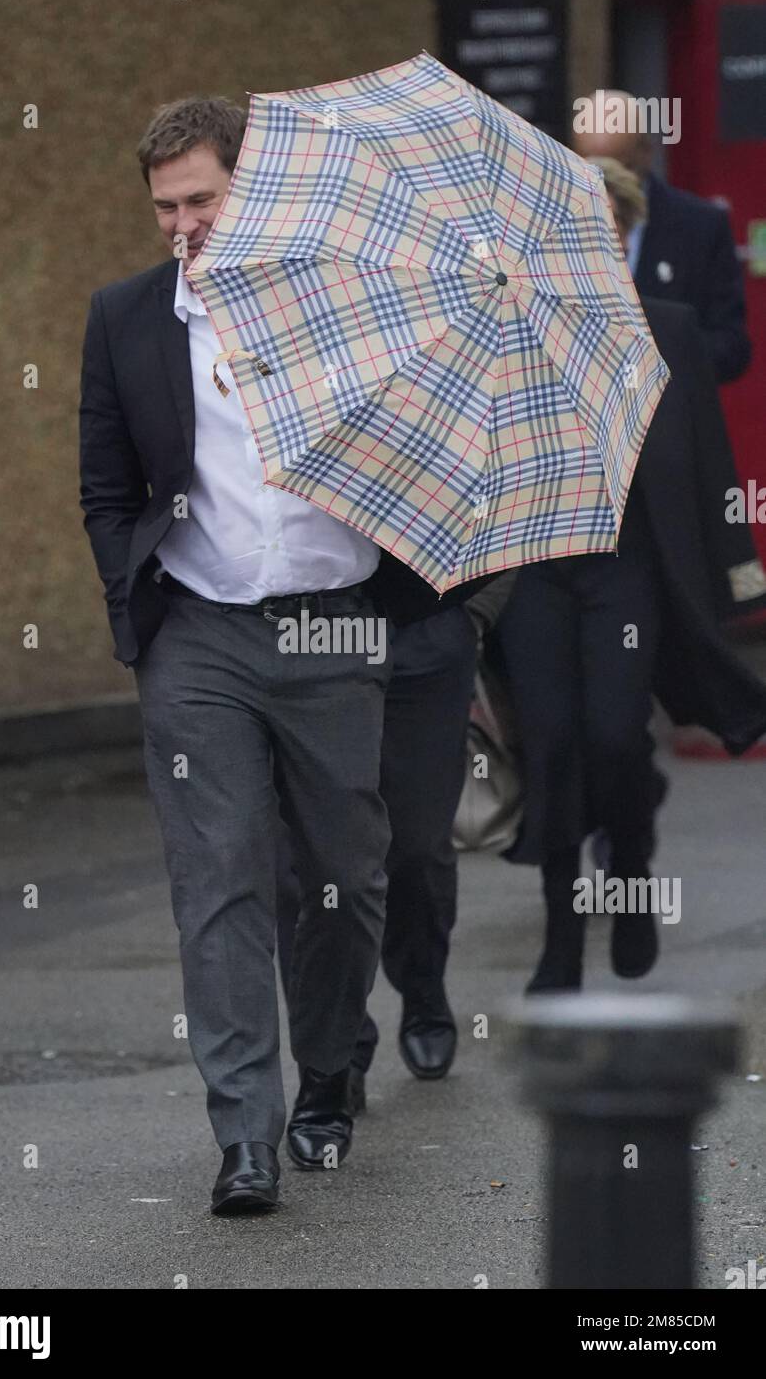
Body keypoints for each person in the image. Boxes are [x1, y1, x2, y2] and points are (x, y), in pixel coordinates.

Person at [78, 96, 473, 1215]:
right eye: (165, 206)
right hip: (199, 632)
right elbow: (105, 486)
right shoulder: (127, 319)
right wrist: (135, 598)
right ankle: (243, 1137)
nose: (182, 223)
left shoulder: (349, 306)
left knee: (344, 878)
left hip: (335, 622)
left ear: (251, 189)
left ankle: (332, 1065)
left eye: (202, 198)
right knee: (221, 879)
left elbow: (429, 449)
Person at [494, 156, 766, 994]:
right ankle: (562, 937)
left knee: (614, 737)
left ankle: (634, 871)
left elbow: (709, 465)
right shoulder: (506, 329)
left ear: (622, 237)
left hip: (629, 570)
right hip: (535, 569)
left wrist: (739, 579)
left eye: (600, 231)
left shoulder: (669, 329)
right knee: (550, 750)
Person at [278, 572, 514, 1113]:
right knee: (307, 866)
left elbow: (502, 504)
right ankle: (336, 1052)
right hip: (307, 644)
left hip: (424, 642)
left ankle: (423, 984)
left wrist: (470, 614)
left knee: (417, 846)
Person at [574, 89, 751, 385]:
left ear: (646, 153)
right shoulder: (549, 227)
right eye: (596, 168)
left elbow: (732, 348)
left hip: (670, 415)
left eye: (622, 167)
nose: (610, 182)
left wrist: (655, 358)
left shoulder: (700, 227)